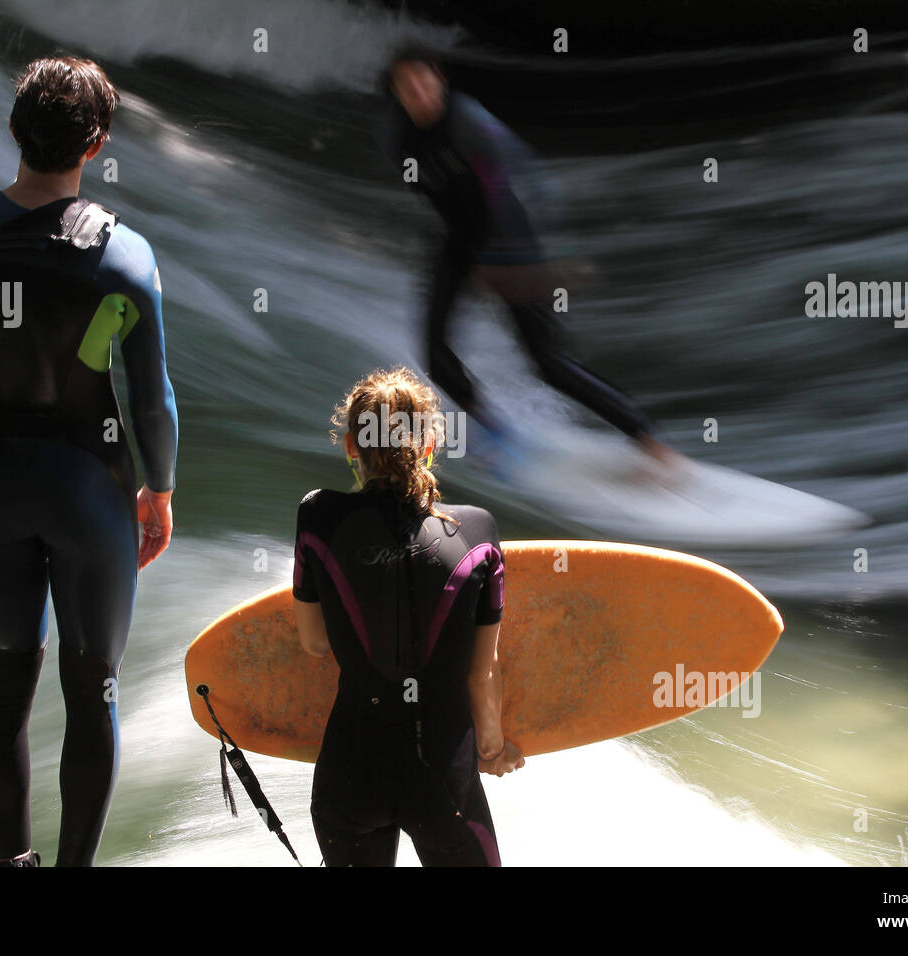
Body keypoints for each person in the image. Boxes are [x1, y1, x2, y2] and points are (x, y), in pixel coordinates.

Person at [0, 57, 179, 866]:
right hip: (93, 498)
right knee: (93, 693)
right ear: (94, 144)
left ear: (13, 130)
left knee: (3, 687)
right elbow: (153, 403)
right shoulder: (125, 259)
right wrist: (158, 492)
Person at [375, 46, 676, 463]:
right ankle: (494, 431)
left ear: (440, 79)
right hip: (462, 239)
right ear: (397, 94)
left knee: (548, 363)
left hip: (512, 238)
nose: (419, 96)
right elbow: (436, 192)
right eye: (408, 89)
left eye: (424, 84)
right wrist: (467, 255)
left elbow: (523, 180)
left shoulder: (470, 123)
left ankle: (648, 440)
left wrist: (550, 255)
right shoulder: (397, 135)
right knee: (434, 351)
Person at [292, 367, 523, 867]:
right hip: (443, 781)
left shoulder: (317, 516)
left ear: (352, 446)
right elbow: (482, 673)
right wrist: (492, 747)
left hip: (349, 778)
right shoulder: (478, 532)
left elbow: (313, 641)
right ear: (430, 447)